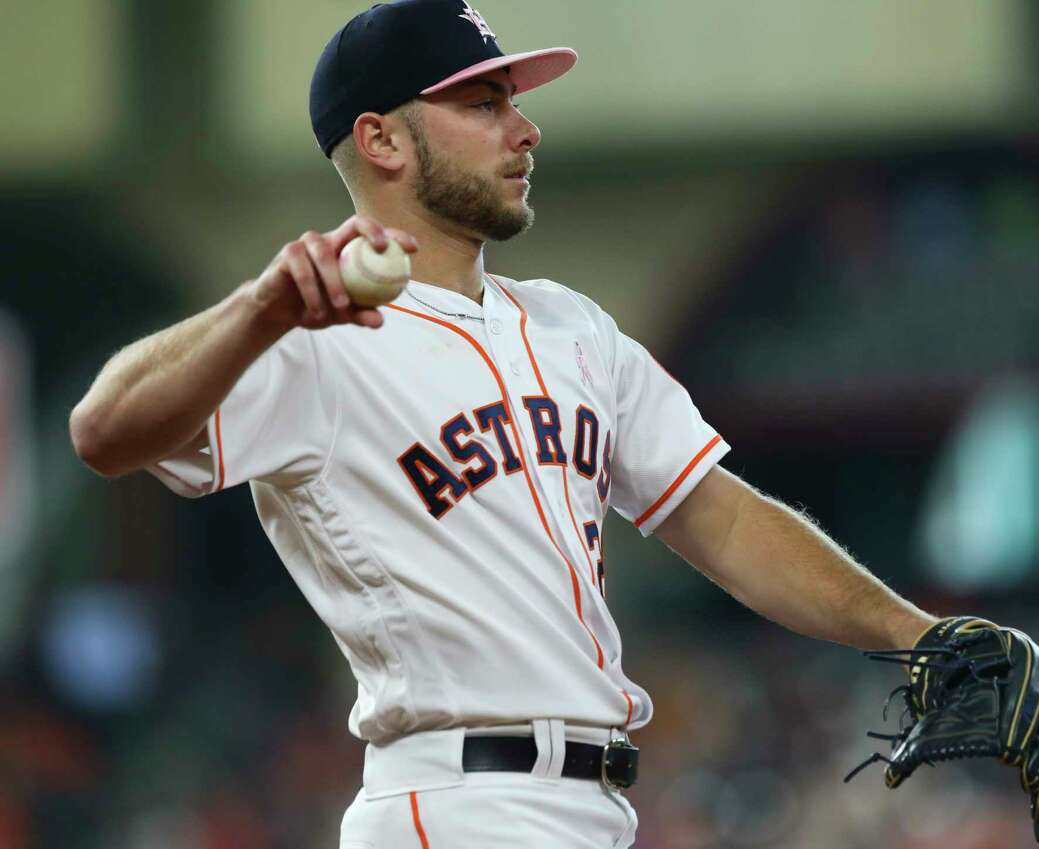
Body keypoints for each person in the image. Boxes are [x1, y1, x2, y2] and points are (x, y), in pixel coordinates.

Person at [69, 2, 939, 846]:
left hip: (596, 808)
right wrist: (258, 311)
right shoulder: (312, 337)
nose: (524, 130)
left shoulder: (574, 328)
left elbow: (730, 520)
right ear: (381, 140)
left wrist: (921, 634)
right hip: (454, 801)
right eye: (483, 104)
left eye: (514, 102)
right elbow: (102, 431)